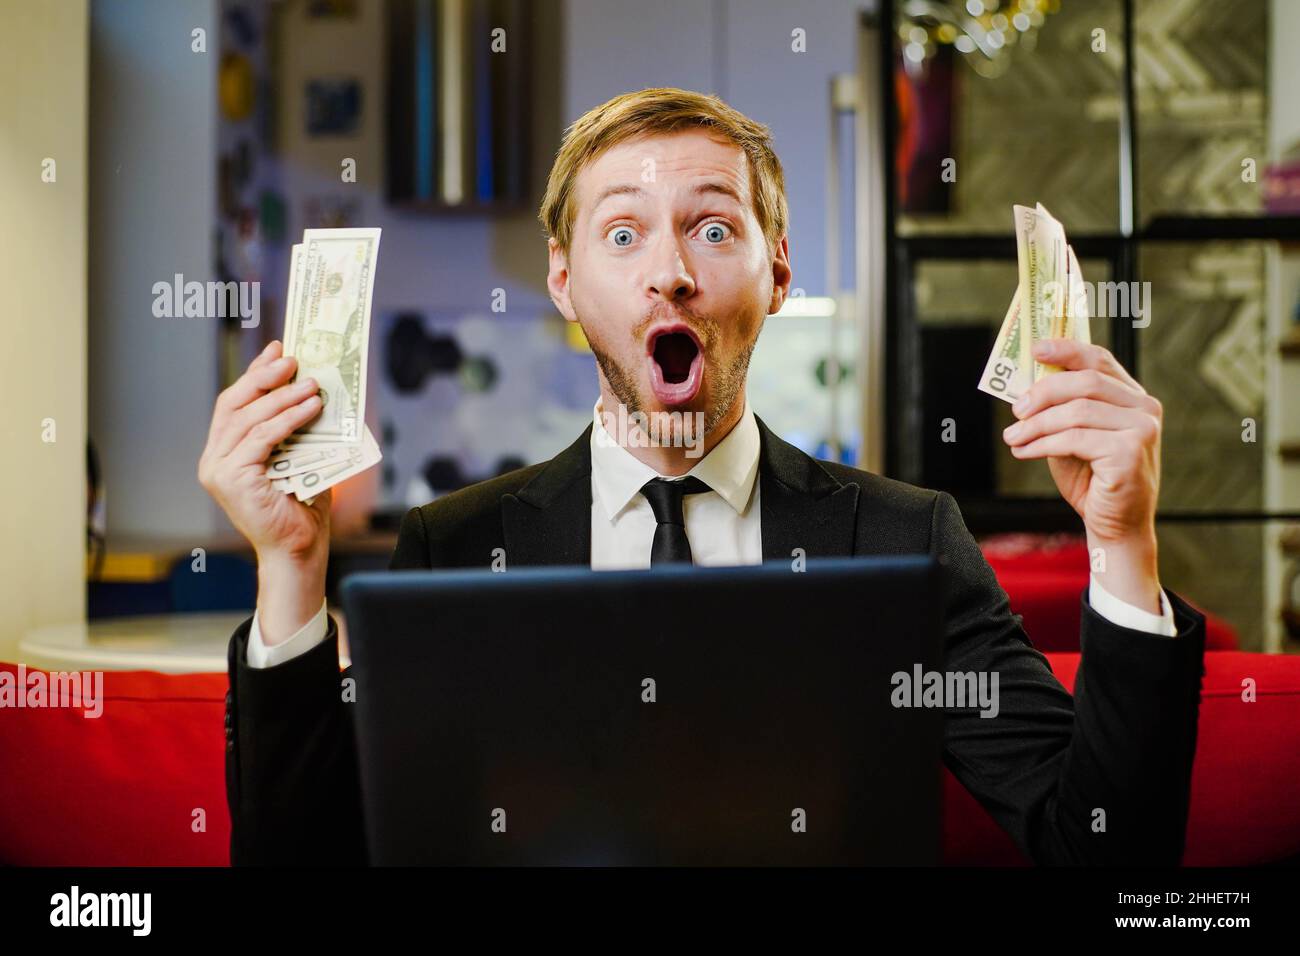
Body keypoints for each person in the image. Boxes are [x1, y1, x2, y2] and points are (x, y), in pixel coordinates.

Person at [198, 88, 1205, 866]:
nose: (669, 270)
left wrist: (1120, 545)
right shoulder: (453, 548)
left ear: (776, 269)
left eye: (714, 228)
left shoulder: (903, 537)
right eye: (623, 232)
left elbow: (1106, 853)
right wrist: (290, 571)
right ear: (563, 281)